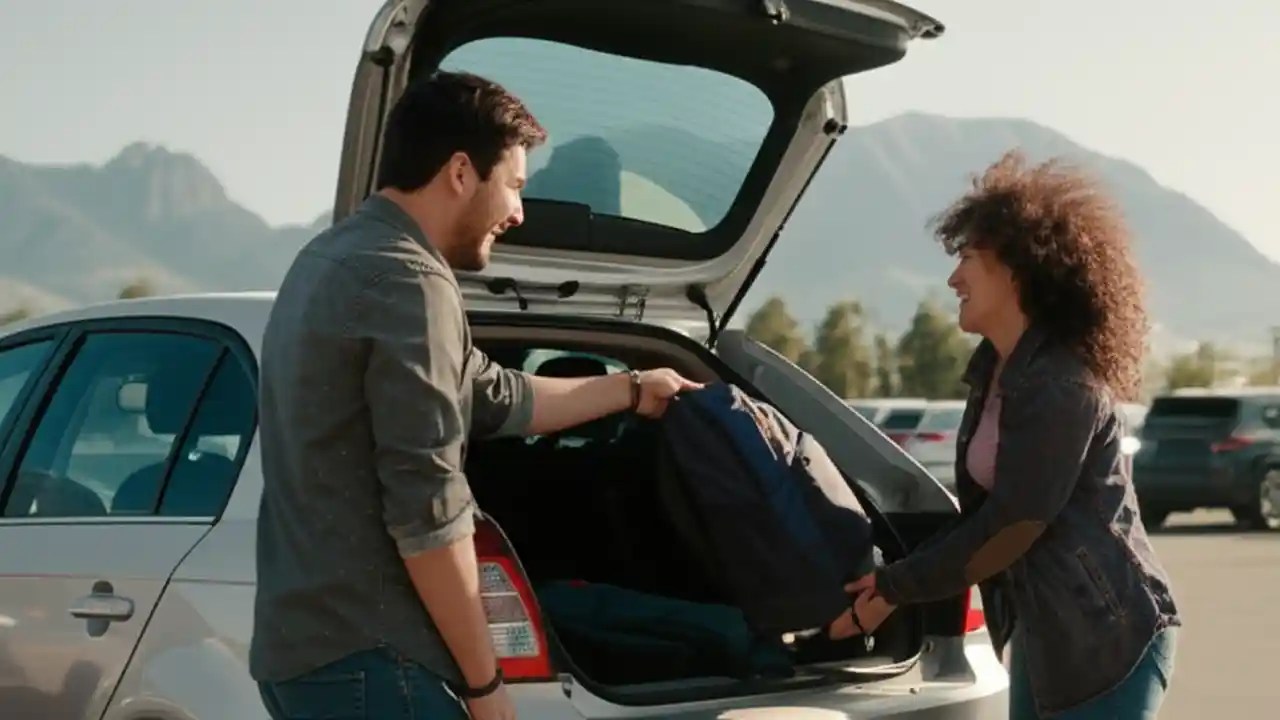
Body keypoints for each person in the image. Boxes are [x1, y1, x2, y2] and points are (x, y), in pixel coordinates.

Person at [249, 71, 700, 720]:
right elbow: (427, 506)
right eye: (513, 185)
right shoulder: (409, 281)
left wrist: (631, 388)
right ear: (461, 172)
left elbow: (492, 392)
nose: (519, 212)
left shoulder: (328, 258)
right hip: (378, 660)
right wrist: (486, 685)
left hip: (304, 655)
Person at [830, 151, 1180, 718]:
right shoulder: (993, 373)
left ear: (1018, 267)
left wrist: (896, 588)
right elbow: (977, 519)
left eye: (968, 258)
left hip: (1108, 636)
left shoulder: (1061, 385)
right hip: (1047, 635)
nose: (953, 278)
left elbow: (1012, 523)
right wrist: (887, 583)